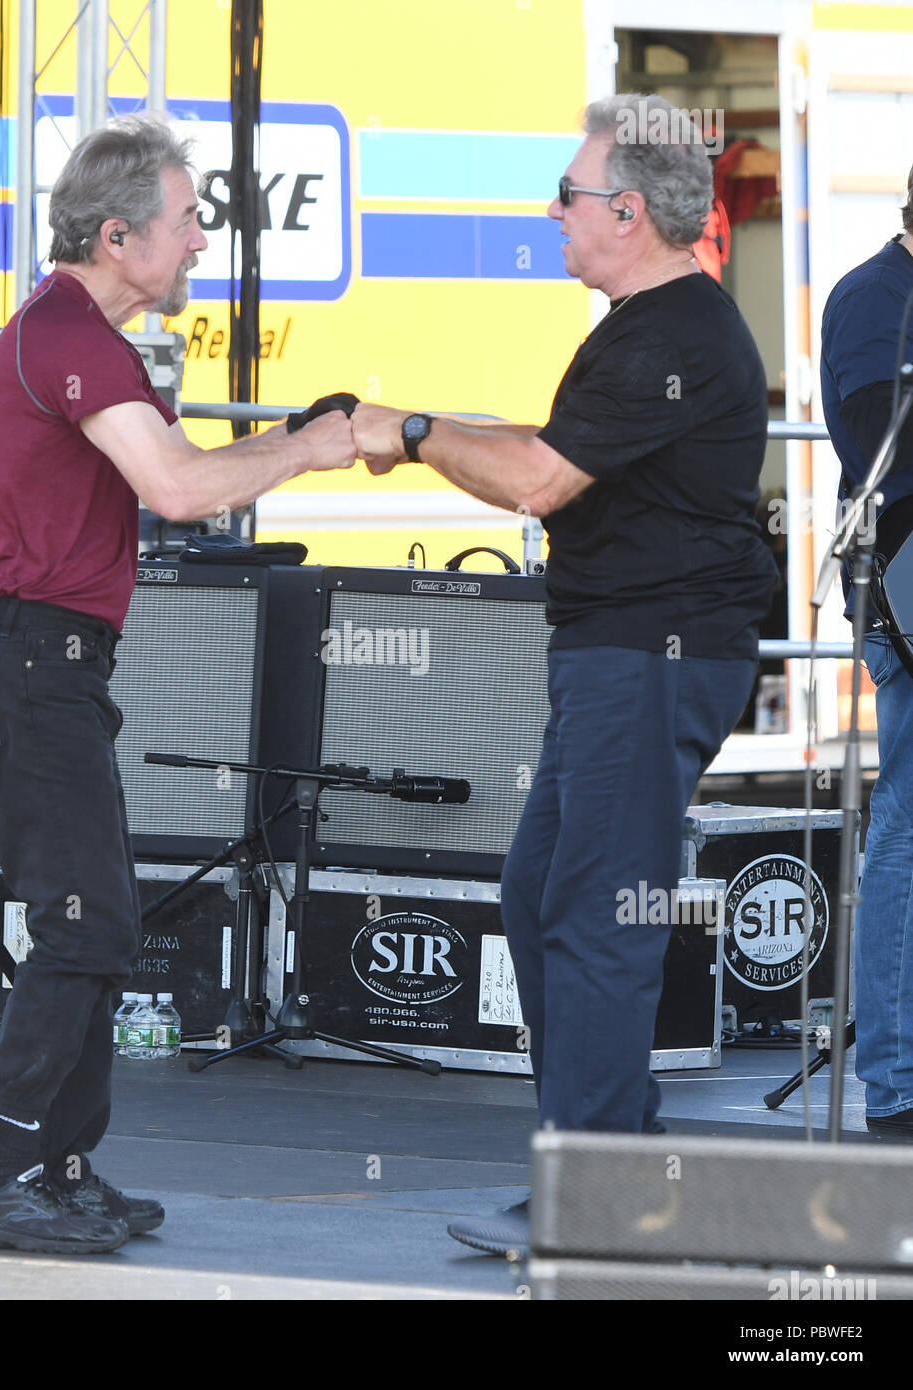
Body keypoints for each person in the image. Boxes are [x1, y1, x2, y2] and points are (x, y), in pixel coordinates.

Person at [350, 93, 777, 1255]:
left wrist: (417, 430)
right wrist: (426, 429)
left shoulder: (673, 336)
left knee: (589, 915)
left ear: (627, 212)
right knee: (545, 900)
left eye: (569, 194)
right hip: (622, 657)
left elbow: (539, 480)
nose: (553, 211)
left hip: (650, 658)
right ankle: (616, 1165)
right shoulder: (647, 329)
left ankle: (600, 1198)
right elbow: (553, 457)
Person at [0, 115, 355, 1254]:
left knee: (99, 922)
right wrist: (311, 447)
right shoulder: (72, 335)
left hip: (42, 665)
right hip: (25, 662)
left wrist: (288, 439)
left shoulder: (78, 339)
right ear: (117, 236)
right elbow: (179, 489)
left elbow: (181, 476)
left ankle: (60, 1170)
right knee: (82, 925)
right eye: (187, 220)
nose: (203, 240)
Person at [820, 163, 913, 1138]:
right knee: (908, 824)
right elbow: (884, 449)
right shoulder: (870, 302)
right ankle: (895, 1077)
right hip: (903, 589)